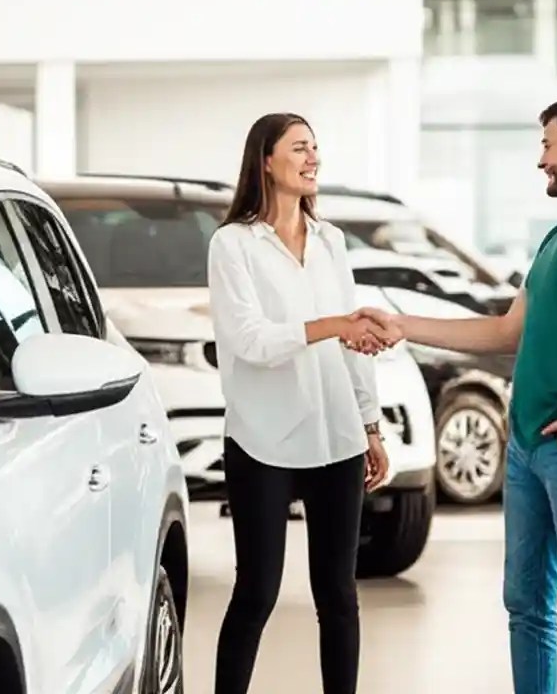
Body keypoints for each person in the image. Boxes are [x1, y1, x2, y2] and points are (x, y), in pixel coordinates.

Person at [357, 93, 557, 694]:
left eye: (548, 144)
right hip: (529, 443)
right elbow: (505, 330)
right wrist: (405, 326)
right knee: (524, 601)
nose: (541, 161)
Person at [207, 112, 395, 694]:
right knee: (257, 591)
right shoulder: (232, 244)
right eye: (299, 148)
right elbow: (249, 341)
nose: (313, 158)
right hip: (262, 440)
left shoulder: (331, 241)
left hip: (336, 434)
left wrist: (370, 423)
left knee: (338, 595)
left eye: (315, 148)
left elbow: (354, 345)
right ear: (265, 159)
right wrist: (333, 324)